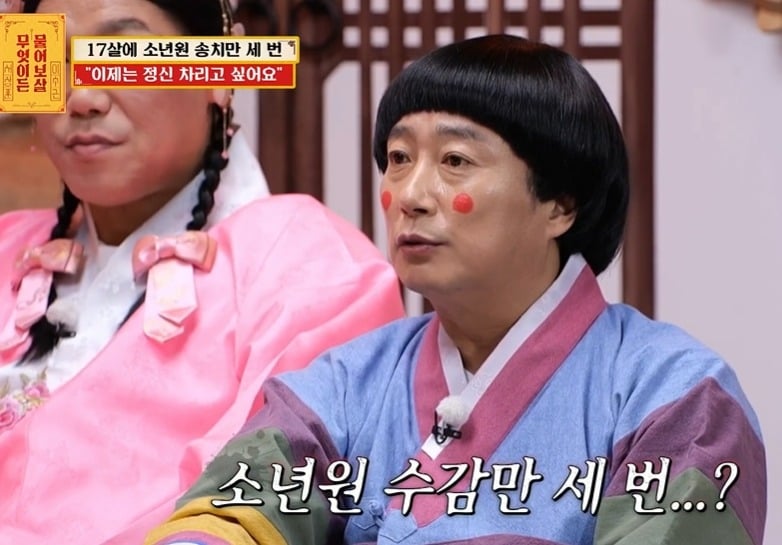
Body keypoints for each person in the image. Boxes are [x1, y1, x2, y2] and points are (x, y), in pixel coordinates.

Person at [144, 34, 768, 545]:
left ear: (560, 203)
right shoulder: (343, 387)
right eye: (398, 158)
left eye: (455, 162)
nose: (411, 196)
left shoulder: (678, 398)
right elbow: (226, 519)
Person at [0, 0, 405, 543]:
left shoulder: (311, 265)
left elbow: (275, 492)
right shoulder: (9, 245)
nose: (84, 97)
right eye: (58, 60)